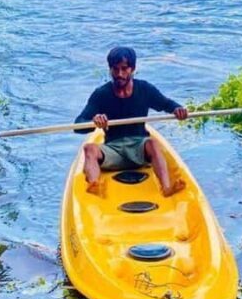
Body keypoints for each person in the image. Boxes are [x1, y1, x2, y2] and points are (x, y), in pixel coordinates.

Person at [75, 47, 189, 197]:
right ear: (110, 70)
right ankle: (95, 186)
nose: (119, 74)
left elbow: (166, 104)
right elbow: (78, 125)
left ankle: (166, 188)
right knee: (89, 148)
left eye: (124, 69)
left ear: (133, 69)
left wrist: (178, 110)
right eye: (115, 69)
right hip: (113, 149)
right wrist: (94, 121)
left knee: (153, 143)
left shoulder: (144, 89)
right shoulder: (101, 94)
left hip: (139, 148)